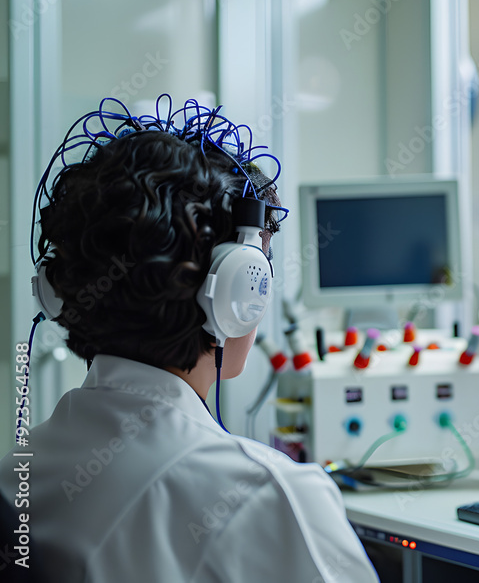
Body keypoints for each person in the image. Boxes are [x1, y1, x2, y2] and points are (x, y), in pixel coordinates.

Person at [0, 97, 380, 582]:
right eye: (260, 273)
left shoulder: (21, 473)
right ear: (235, 289)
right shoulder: (267, 494)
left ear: (58, 293)